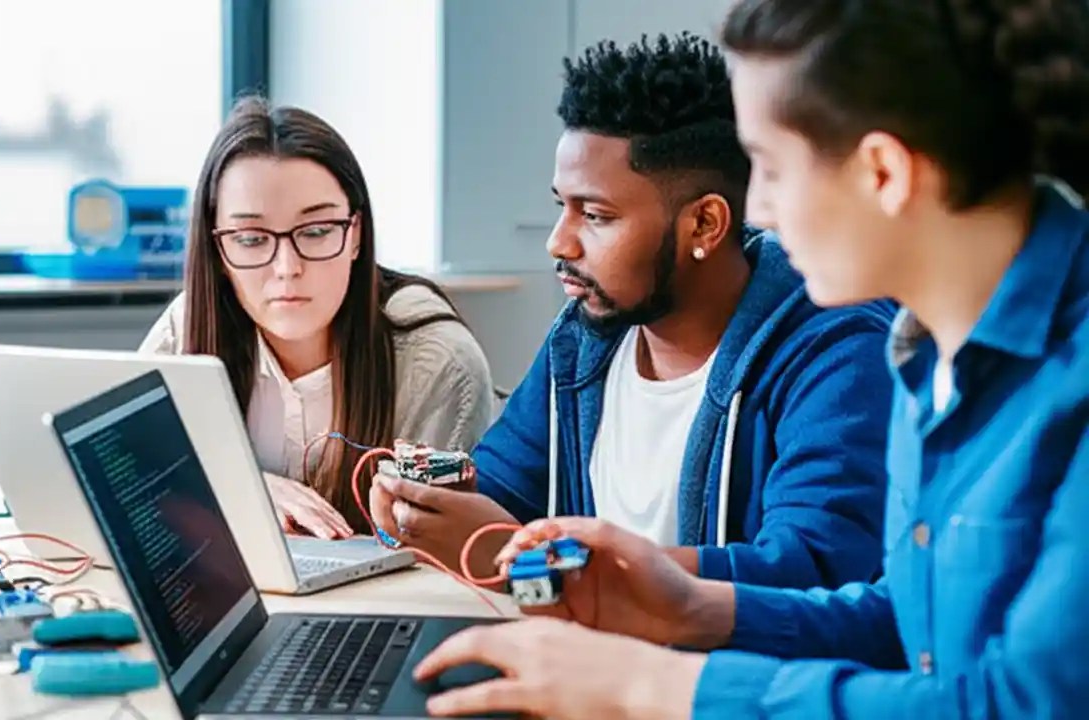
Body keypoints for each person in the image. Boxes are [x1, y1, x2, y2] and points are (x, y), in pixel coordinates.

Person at [411, 0, 1089, 718]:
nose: (756, 211)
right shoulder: (928, 358)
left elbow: (1019, 705)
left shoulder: (1060, 385)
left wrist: (654, 686)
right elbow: (912, 629)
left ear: (883, 173)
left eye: (767, 167)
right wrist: (696, 606)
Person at [371, 32, 895, 591]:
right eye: (561, 207)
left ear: (705, 225)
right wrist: (426, 509)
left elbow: (809, 571)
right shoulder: (584, 340)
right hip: (585, 661)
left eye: (594, 215)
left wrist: (536, 561)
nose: (559, 242)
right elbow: (501, 494)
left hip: (713, 677)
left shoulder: (835, 351)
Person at [141, 95, 496, 539]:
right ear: (218, 251)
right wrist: (243, 494)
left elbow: (437, 553)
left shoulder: (435, 360)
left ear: (355, 235)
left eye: (315, 231)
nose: (287, 267)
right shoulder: (185, 333)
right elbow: (128, 486)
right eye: (251, 239)